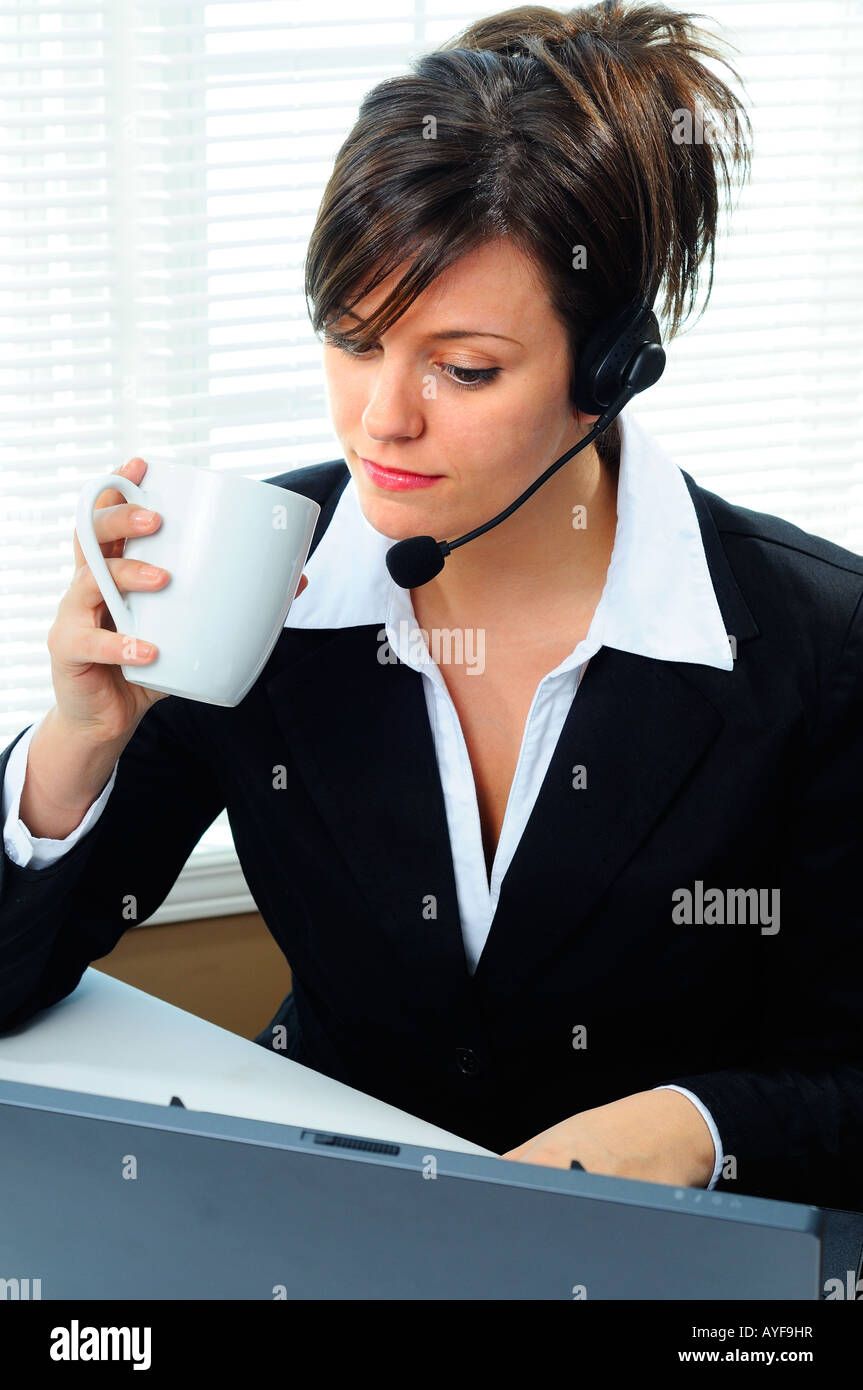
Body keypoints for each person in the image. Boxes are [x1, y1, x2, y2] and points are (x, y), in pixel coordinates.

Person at [1, 1, 862, 1212]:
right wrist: (78, 745)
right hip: (321, 1233)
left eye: (461, 369)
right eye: (352, 342)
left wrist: (689, 1129)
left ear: (608, 371)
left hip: (659, 1263)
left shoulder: (817, 644)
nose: (379, 422)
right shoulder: (261, 580)